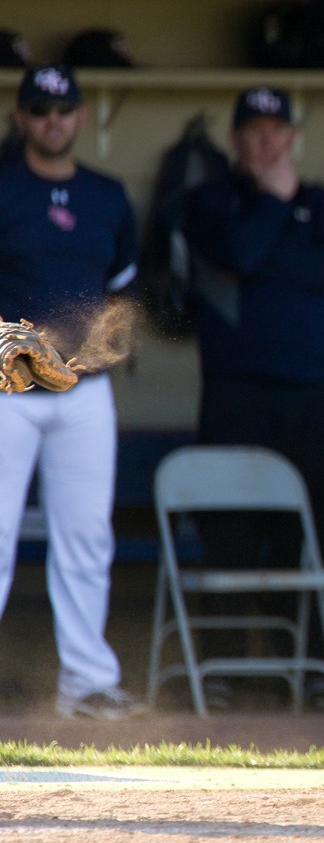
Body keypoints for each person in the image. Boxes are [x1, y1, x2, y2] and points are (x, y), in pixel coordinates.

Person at [183, 85, 324, 700]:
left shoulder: (322, 203)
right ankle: (223, 672)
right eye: (252, 130)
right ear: (235, 140)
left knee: (306, 533)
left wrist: (279, 236)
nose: (265, 141)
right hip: (235, 393)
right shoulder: (211, 200)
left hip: (309, 395)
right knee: (229, 530)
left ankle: (307, 671)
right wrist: (277, 207)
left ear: (292, 137)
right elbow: (240, 252)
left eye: (276, 130)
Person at [0, 64, 143, 718]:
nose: (52, 120)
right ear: (22, 117)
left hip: (83, 387)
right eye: (40, 110)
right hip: (8, 384)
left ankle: (85, 682)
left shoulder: (107, 195)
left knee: (86, 536)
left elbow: (121, 289)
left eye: (63, 110)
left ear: (80, 116)